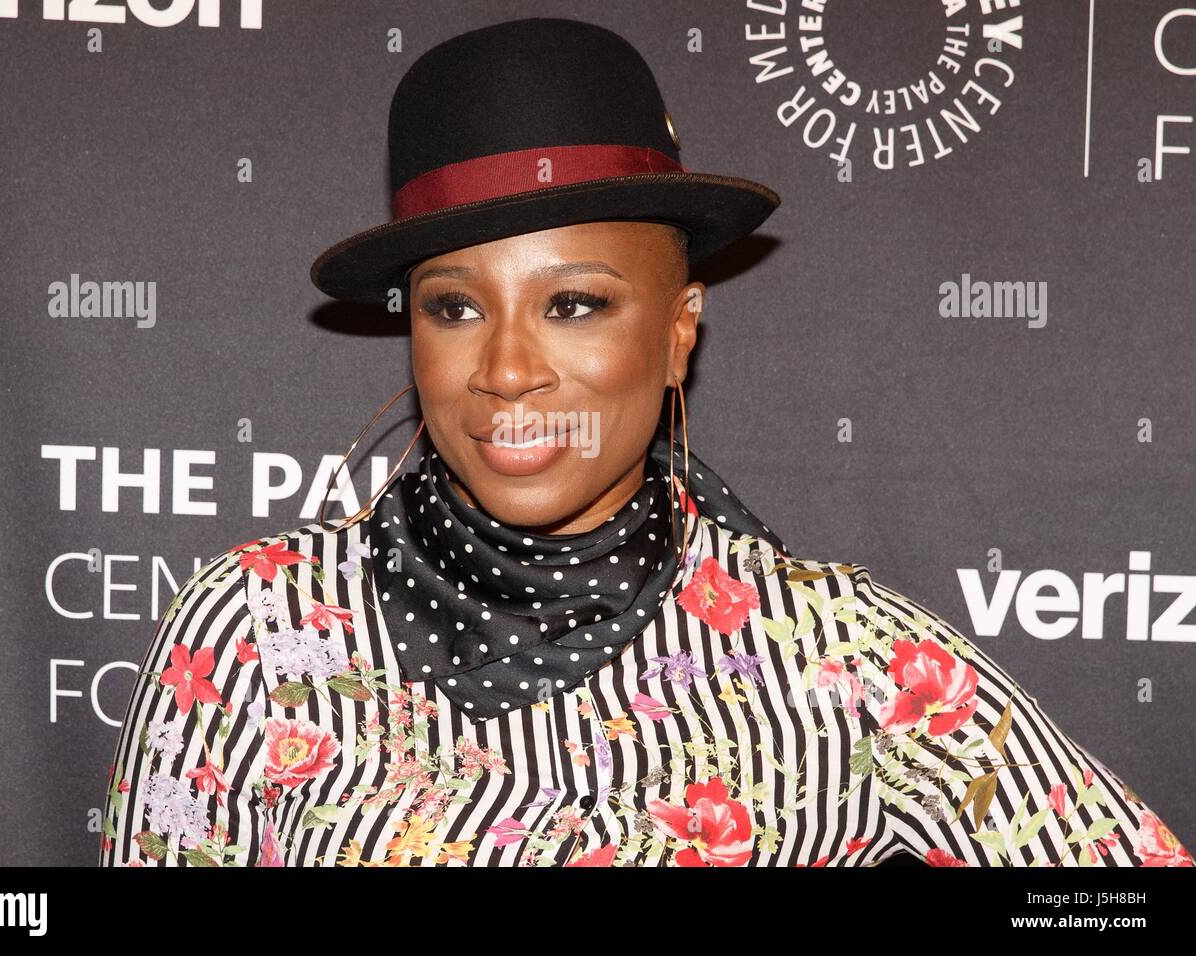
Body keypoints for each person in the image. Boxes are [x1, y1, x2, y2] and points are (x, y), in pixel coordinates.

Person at [97, 17, 1191, 867]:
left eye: (574, 303)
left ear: (677, 331)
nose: (508, 369)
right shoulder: (249, 632)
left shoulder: (834, 658)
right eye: (454, 306)